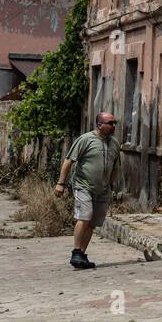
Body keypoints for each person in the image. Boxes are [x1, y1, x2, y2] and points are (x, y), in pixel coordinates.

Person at [54, 112, 122, 270]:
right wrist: (61, 183)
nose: (113, 126)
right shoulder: (85, 139)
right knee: (84, 216)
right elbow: (68, 161)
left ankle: (82, 256)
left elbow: (115, 167)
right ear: (100, 125)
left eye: (114, 123)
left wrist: (111, 186)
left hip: (103, 189)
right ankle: (76, 251)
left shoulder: (114, 143)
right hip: (83, 186)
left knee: (92, 223)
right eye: (110, 123)